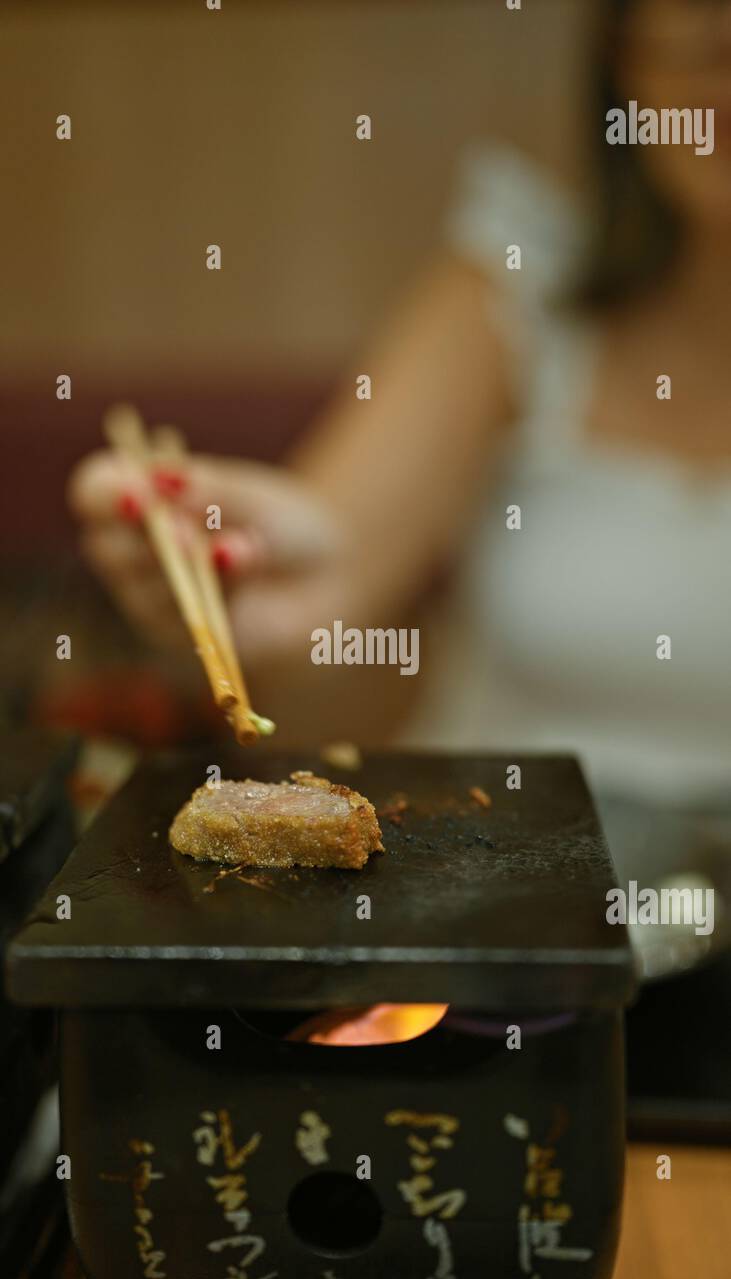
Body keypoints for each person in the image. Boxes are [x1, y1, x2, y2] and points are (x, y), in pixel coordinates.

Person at [69, 0, 731, 895]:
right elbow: (322, 585)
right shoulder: (520, 283)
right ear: (623, 69)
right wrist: (260, 580)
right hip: (497, 893)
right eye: (700, 48)